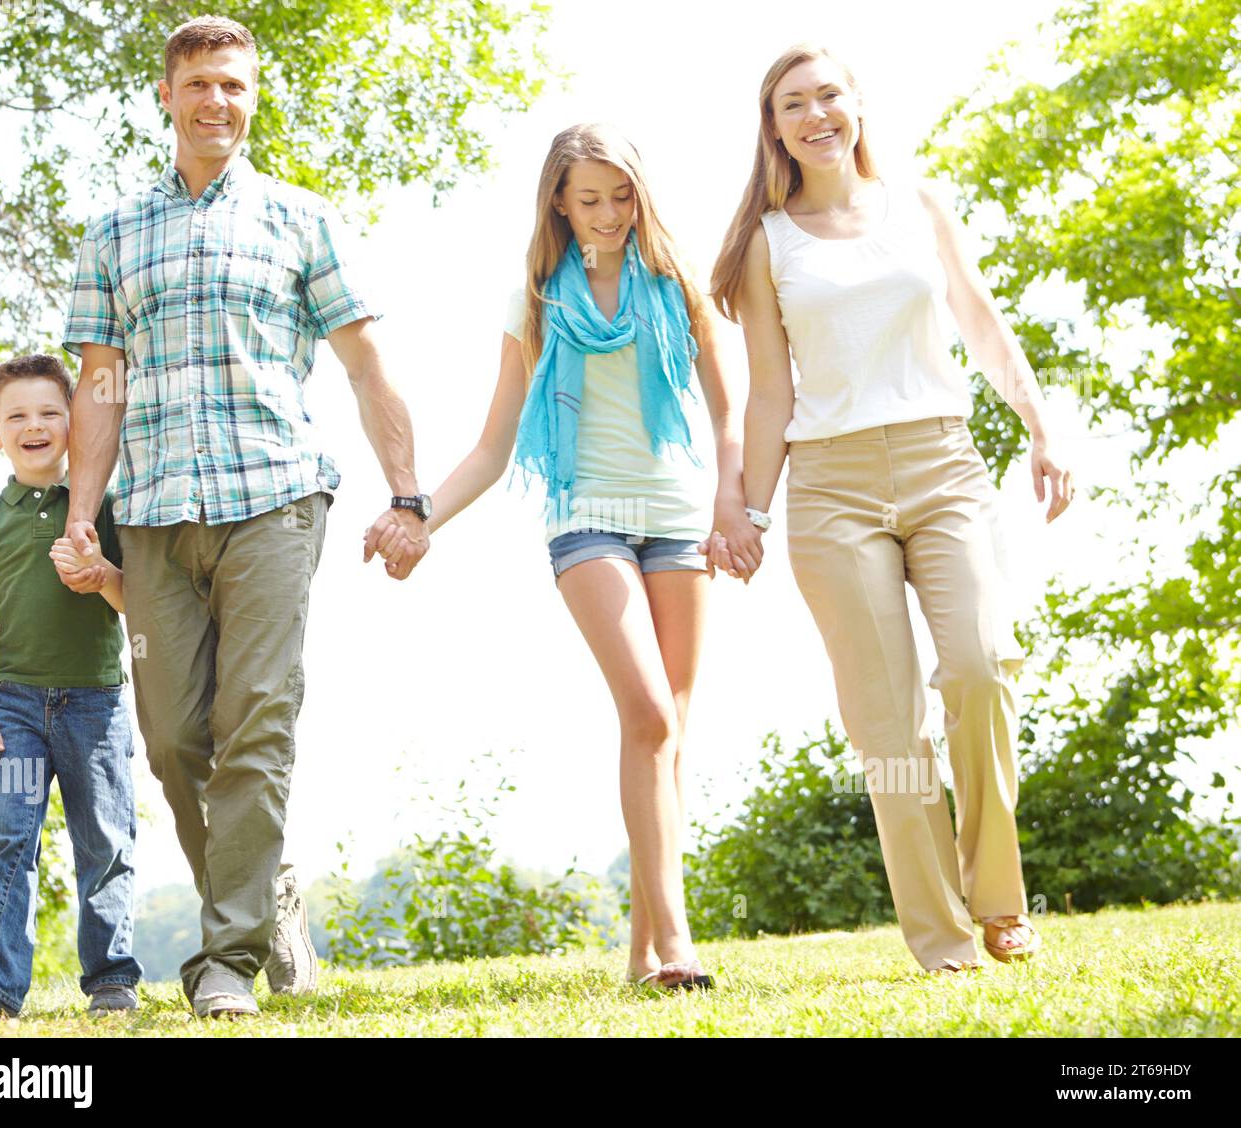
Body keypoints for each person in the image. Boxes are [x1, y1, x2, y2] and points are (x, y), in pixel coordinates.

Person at [60, 16, 429, 1018]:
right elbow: (99, 387)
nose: (218, 101)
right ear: (167, 97)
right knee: (176, 738)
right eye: (201, 84)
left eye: (235, 85)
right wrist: (81, 514)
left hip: (273, 498)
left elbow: (364, 366)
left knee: (255, 719)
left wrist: (408, 496)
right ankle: (267, 895)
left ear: (251, 96)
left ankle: (226, 963)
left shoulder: (301, 220)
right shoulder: (112, 234)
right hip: (150, 514)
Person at [709, 44, 1075, 973]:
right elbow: (768, 395)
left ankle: (999, 897)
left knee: (982, 668)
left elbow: (982, 323)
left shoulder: (918, 206)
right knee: (892, 729)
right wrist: (747, 512)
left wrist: (1041, 426)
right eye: (793, 103)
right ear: (775, 127)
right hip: (830, 487)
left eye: (829, 93)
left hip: (942, 462)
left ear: (858, 104)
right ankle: (944, 938)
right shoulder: (766, 242)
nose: (815, 113)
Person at [403, 123, 759, 988]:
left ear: (642, 196)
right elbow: (494, 448)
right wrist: (418, 515)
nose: (607, 215)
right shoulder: (536, 301)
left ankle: (642, 953)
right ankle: (678, 946)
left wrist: (731, 501)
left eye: (621, 197)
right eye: (589, 199)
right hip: (586, 518)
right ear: (559, 201)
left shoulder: (679, 287)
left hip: (680, 519)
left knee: (669, 735)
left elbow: (727, 412)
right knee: (648, 713)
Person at [0, 354, 142, 1022]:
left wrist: (101, 571)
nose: (35, 425)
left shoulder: (101, 509)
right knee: (7, 838)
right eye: (17, 416)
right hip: (16, 710)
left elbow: (131, 604)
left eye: (51, 413)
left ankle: (112, 978)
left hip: (96, 706)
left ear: (75, 424)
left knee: (105, 840)